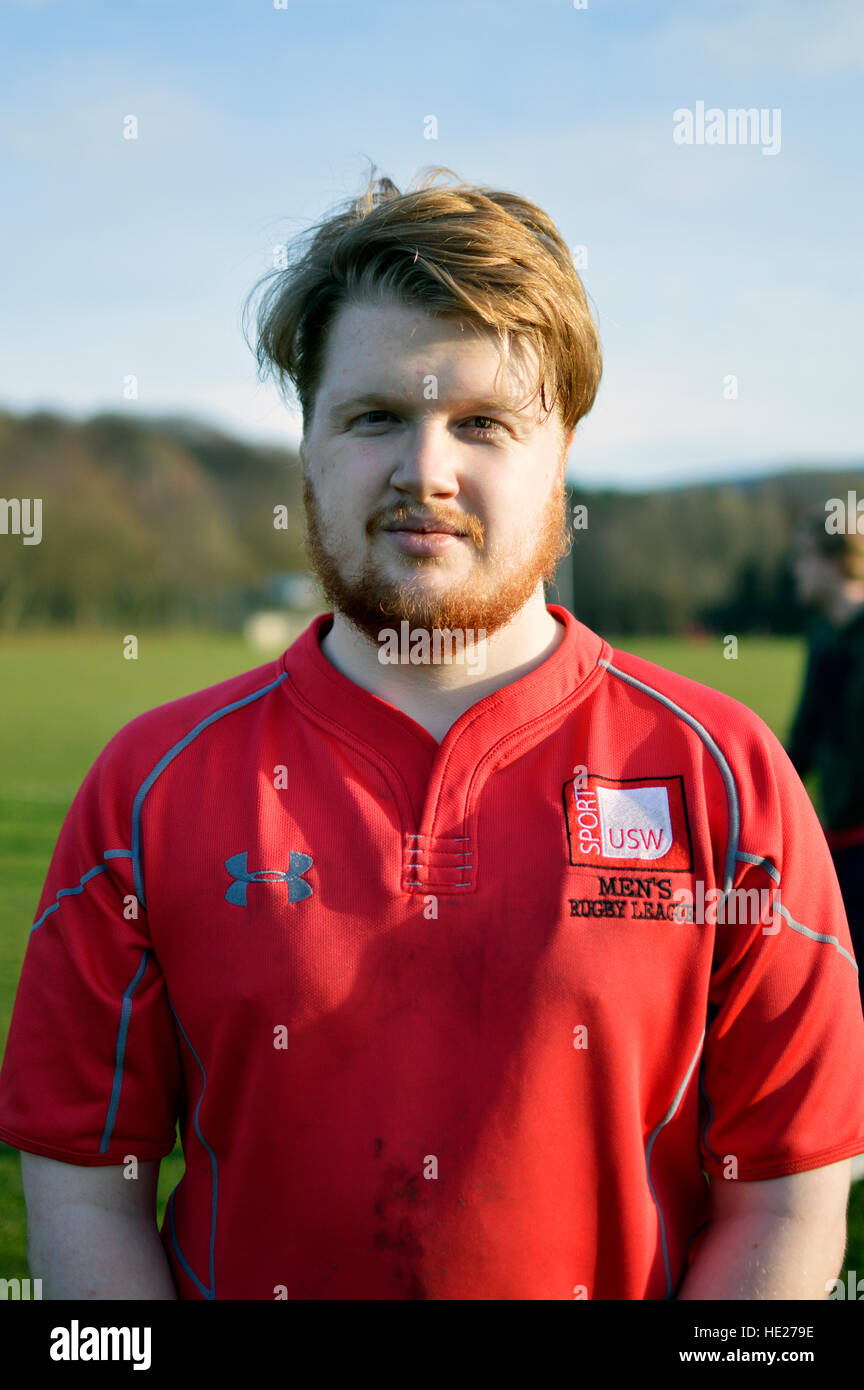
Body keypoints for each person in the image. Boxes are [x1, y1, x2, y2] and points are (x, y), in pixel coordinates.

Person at [1, 166, 863, 1301]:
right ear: (306, 444)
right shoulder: (148, 789)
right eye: (374, 418)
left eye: (482, 421)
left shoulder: (727, 777)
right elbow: (79, 1189)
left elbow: (789, 1198)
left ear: (562, 455)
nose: (426, 472)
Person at [788, 513, 864, 1013]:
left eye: (805, 556)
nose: (795, 569)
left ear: (836, 562)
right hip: (835, 850)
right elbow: (805, 742)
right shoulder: (822, 637)